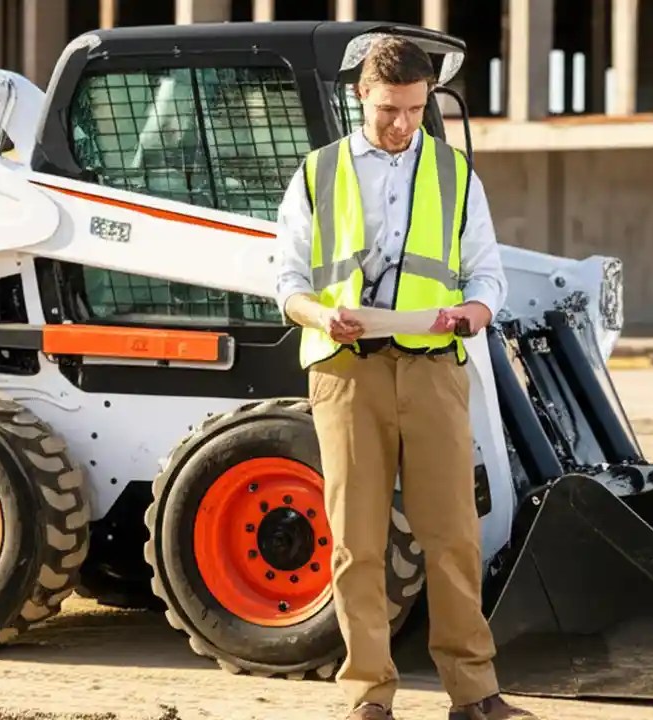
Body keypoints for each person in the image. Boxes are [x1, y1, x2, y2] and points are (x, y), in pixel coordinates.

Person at [274, 35, 539, 720]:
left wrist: (474, 312)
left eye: (416, 110)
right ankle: (367, 697)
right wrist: (319, 315)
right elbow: (286, 281)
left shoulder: (456, 175)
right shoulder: (316, 172)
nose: (402, 124)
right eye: (390, 108)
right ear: (361, 94)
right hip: (344, 372)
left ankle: (474, 694)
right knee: (357, 541)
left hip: (433, 370)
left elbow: (488, 275)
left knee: (453, 535)